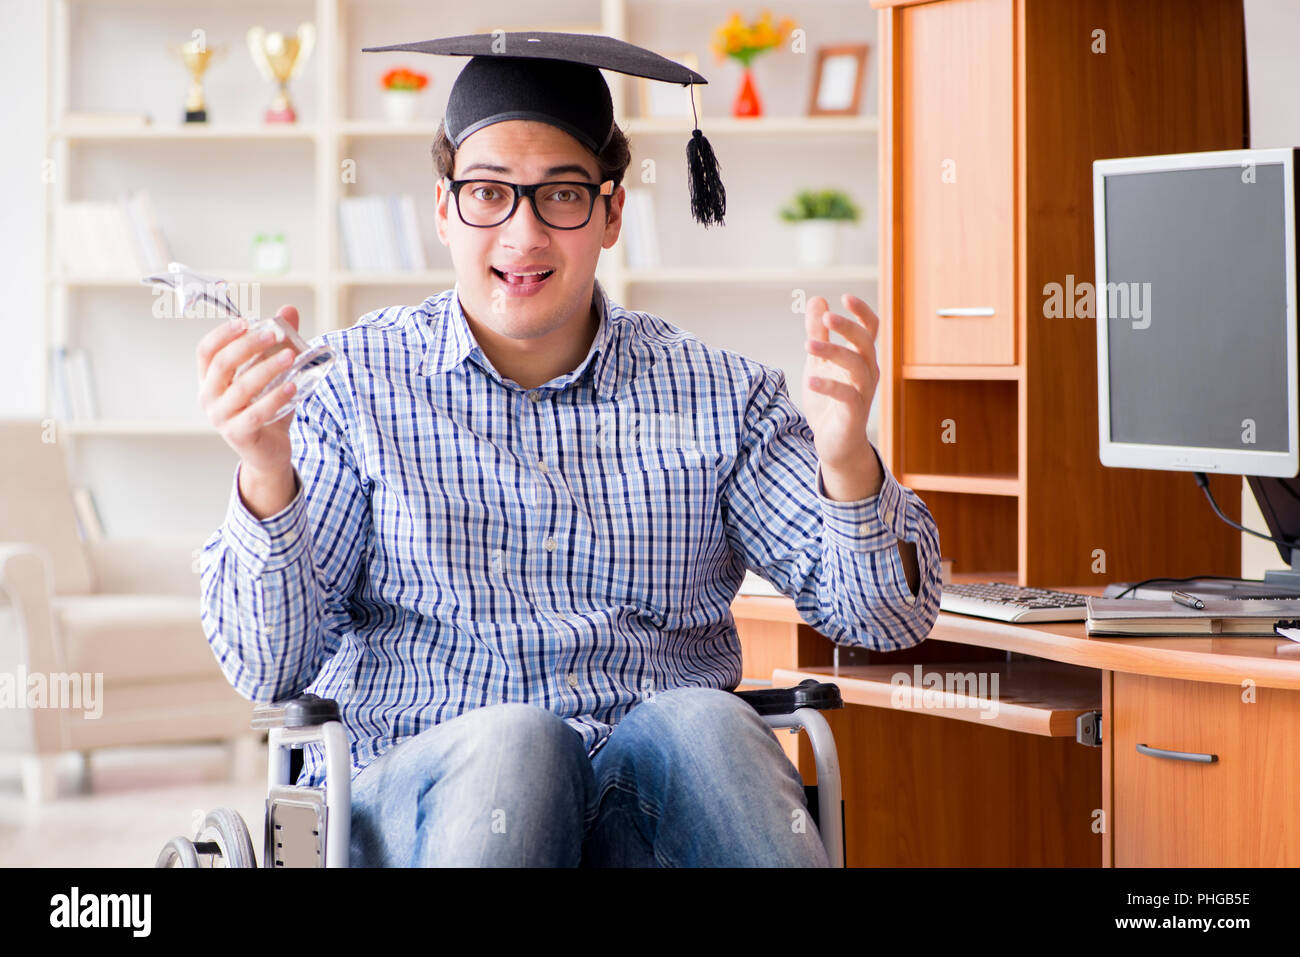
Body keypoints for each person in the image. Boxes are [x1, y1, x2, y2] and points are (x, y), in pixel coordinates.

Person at [196, 32, 941, 867]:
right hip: (426, 806)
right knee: (518, 743)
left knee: (706, 721)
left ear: (612, 211)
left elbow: (888, 619)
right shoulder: (347, 391)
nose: (522, 235)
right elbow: (265, 668)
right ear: (443, 209)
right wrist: (266, 474)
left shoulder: (722, 398)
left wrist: (846, 460)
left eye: (560, 195)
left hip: (651, 806)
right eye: (487, 193)